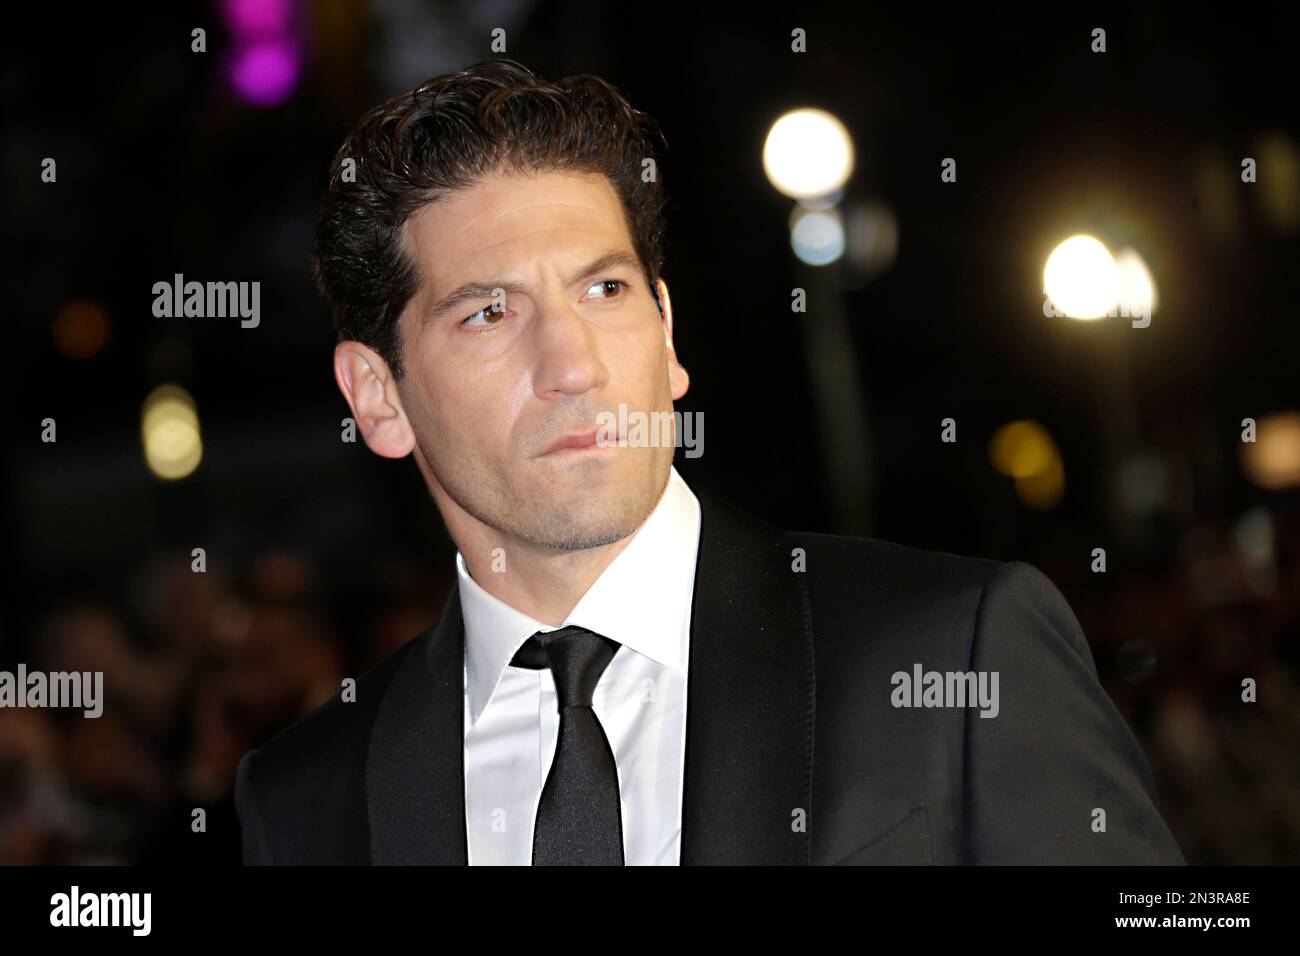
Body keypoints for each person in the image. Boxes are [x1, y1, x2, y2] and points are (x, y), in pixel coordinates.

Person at [234, 58, 1185, 865]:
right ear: (378, 397)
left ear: (667, 331)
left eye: (604, 289)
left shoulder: (957, 647)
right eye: (488, 311)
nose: (573, 365)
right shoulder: (307, 800)